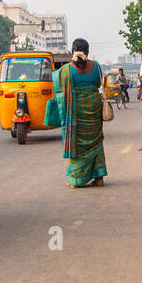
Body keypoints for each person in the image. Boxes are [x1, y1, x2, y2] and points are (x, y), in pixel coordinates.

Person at [59, 39, 107, 187]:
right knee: (96, 141)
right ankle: (99, 177)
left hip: (76, 110)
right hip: (94, 108)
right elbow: (99, 84)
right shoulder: (96, 67)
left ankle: (76, 180)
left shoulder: (66, 70)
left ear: (73, 50)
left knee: (77, 144)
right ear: (88, 50)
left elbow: (61, 89)